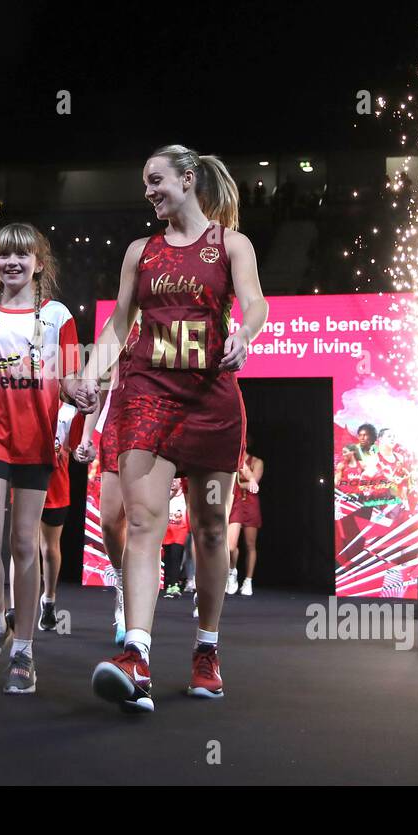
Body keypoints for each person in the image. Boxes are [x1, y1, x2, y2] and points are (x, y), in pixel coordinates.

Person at [78, 144, 267, 712]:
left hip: (212, 403)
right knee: (143, 522)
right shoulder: (142, 251)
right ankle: (136, 656)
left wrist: (245, 334)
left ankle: (206, 652)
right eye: (145, 183)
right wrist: (90, 371)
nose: (149, 191)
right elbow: (118, 322)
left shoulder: (231, 244)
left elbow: (255, 304)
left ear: (188, 180)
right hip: (148, 396)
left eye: (156, 180)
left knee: (211, 530)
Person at [0, 222, 93, 695]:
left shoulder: (56, 316)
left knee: (23, 545)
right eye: (3, 255)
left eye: (21, 255)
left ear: (38, 263)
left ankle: (25, 650)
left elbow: (70, 377)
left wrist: (82, 392)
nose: (12, 263)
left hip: (35, 440)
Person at [75, 314, 142, 645]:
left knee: (143, 522)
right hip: (119, 422)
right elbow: (101, 383)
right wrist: (88, 434)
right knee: (109, 522)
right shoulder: (123, 319)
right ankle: (121, 581)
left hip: (158, 424)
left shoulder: (175, 316)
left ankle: (136, 620)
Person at [38, 401, 85, 632]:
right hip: (27, 482)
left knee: (49, 548)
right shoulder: (26, 402)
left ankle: (49, 600)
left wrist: (83, 449)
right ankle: (17, 608)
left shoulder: (68, 412)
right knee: (23, 545)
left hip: (55, 487)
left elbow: (75, 448)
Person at [227, 442, 263, 596]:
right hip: (233, 501)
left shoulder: (256, 461)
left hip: (249, 504)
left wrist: (238, 483)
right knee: (230, 546)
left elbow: (252, 482)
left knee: (250, 544)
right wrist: (240, 483)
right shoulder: (229, 455)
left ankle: (248, 581)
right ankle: (231, 573)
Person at [161, 478, 190, 598]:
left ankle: (175, 584)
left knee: (176, 556)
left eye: (176, 479)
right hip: (166, 530)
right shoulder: (165, 493)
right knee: (167, 557)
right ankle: (168, 584)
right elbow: (161, 504)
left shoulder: (185, 494)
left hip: (180, 530)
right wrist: (172, 493)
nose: (173, 481)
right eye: (171, 479)